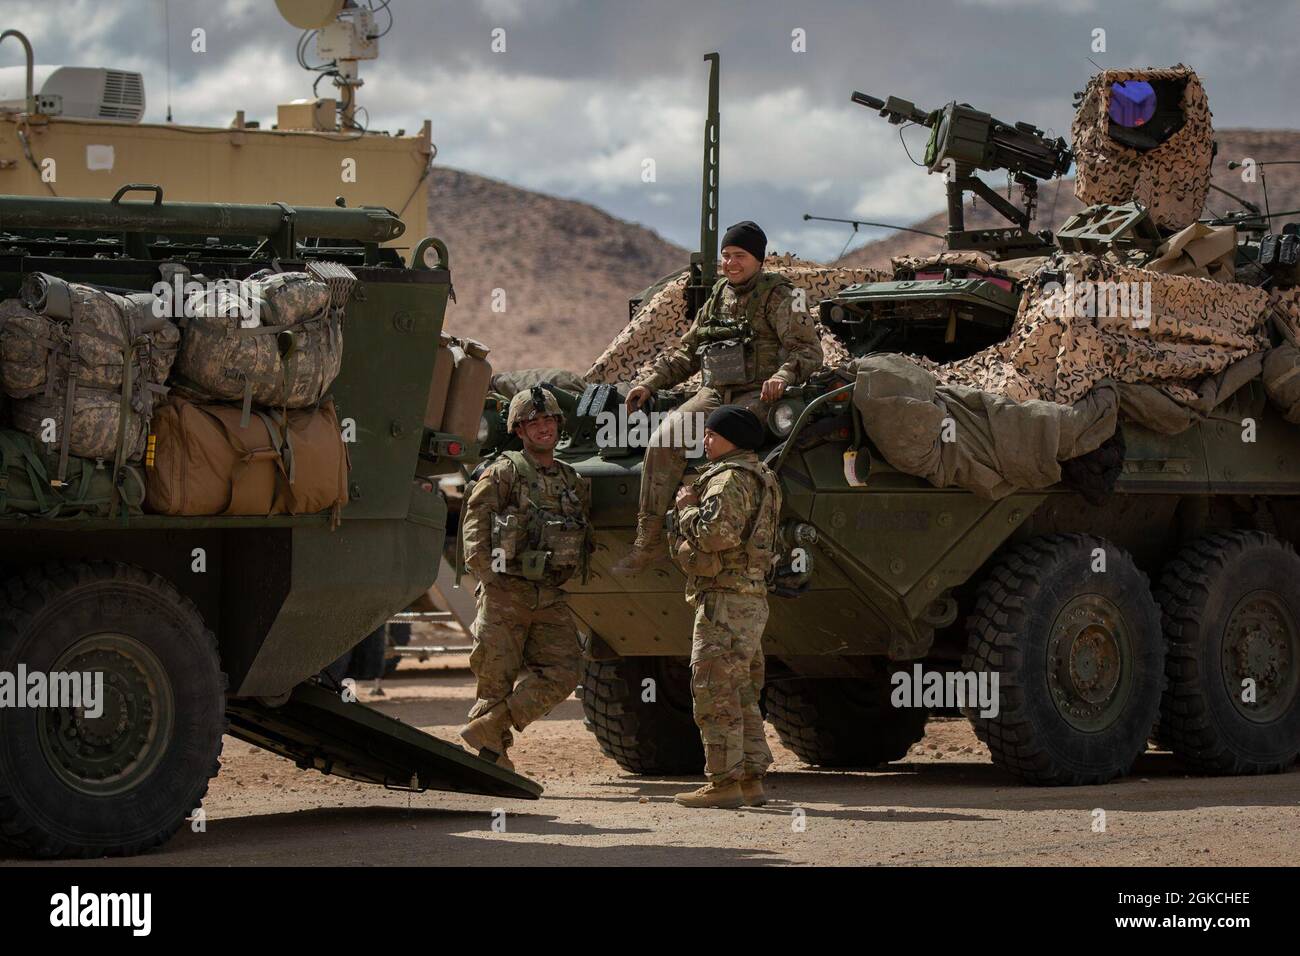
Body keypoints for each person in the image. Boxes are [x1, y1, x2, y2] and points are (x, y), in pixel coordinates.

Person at [612, 220, 820, 574]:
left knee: (726, 440)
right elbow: (687, 352)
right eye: (726, 256)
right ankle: (648, 542)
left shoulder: (780, 296)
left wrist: (783, 376)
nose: (731, 263)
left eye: (739, 255)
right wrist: (650, 383)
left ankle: (729, 532)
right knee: (664, 439)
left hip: (757, 392)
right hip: (713, 391)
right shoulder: (718, 296)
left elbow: (809, 352)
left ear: (758, 258)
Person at [458, 386, 591, 770]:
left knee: (565, 671)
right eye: (533, 422)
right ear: (519, 429)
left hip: (549, 593)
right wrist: (489, 578)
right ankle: (492, 761)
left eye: (549, 420)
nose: (543, 427)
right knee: (494, 681)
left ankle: (492, 727)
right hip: (505, 593)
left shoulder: (571, 479)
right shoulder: (503, 471)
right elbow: (475, 524)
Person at [667, 405, 782, 809]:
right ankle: (749, 778)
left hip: (724, 599)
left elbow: (715, 536)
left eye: (712, 435)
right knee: (743, 690)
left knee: (714, 688)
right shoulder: (762, 476)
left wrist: (685, 509)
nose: (705, 441)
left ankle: (723, 782)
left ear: (732, 438)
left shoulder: (729, 479)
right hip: (749, 597)